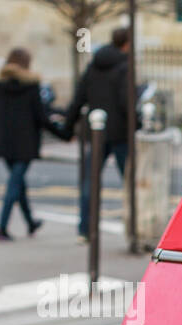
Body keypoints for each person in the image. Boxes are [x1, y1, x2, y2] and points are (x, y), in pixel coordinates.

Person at [0, 48, 66, 241]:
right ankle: (1, 227)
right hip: (24, 142)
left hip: (3, 141)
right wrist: (64, 134)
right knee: (14, 184)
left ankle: (30, 222)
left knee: (18, 182)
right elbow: (41, 116)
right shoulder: (31, 86)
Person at [62, 27, 131, 240]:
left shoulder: (93, 66)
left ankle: (85, 230)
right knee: (129, 182)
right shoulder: (124, 66)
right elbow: (125, 100)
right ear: (127, 44)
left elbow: (79, 98)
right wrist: (135, 125)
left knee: (90, 182)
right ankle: (135, 225)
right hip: (120, 133)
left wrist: (67, 128)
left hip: (96, 132)